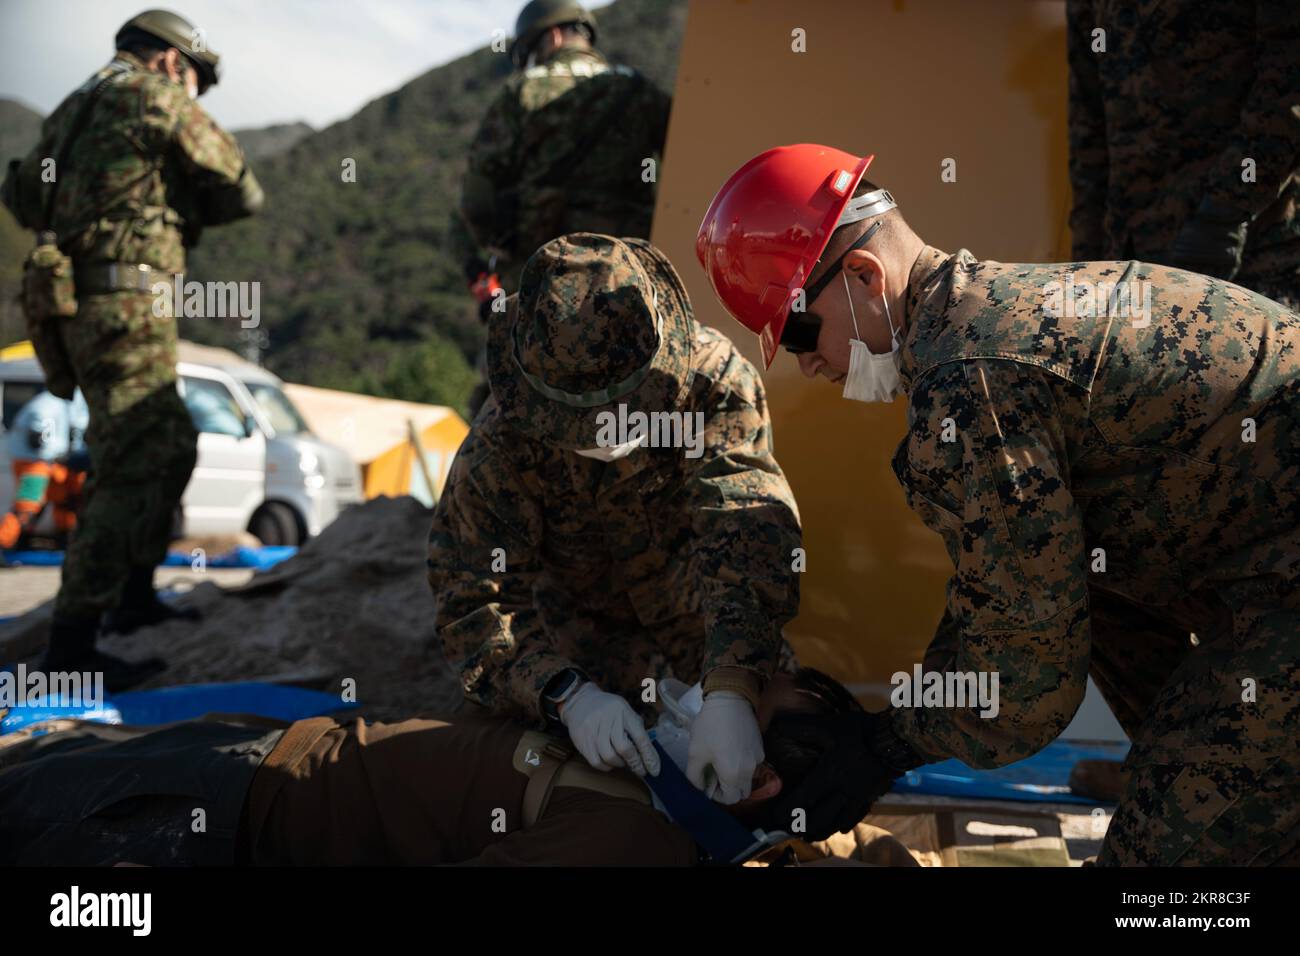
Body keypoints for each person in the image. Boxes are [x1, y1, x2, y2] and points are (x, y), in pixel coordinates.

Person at [695, 144, 1300, 865]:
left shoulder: (971, 379)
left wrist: (885, 748)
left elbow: (1028, 672)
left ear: (862, 275)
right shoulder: (990, 312)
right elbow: (1012, 585)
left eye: (798, 331)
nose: (806, 364)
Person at [428, 232, 802, 807]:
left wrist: (731, 687)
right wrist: (562, 692)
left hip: (712, 625)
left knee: (779, 782)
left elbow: (748, 530)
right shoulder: (500, 446)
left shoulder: (712, 387)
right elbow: (474, 598)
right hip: (575, 646)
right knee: (563, 805)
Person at [0, 668, 917, 866]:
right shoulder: (652, 785)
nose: (692, 695)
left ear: (754, 780)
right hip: (244, 760)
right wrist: (564, 689)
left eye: (731, 712)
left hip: (214, 814)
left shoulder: (635, 839)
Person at [0, 10, 264, 690]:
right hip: (125, 299)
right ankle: (72, 647)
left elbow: (27, 197)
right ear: (174, 63)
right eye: (193, 81)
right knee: (132, 460)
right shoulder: (153, 94)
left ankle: (132, 597)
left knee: (171, 441)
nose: (192, 94)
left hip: (75, 302)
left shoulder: (70, 108)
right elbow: (240, 183)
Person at [452, 0, 672, 415]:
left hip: (540, 285)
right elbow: (684, 167)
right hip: (628, 282)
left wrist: (501, 244)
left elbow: (477, 199)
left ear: (551, 37)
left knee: (515, 405)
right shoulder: (640, 92)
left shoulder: (524, 91)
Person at [1066, 0, 1299, 309]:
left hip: (1250, 265)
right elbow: (1090, 131)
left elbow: (1288, 88)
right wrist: (1087, 269)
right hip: (1132, 273)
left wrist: (1224, 212)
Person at [0, 389, 88, 551]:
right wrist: (48, 451)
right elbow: (39, 434)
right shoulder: (48, 403)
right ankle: (4, 542)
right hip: (35, 460)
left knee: (66, 500)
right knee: (28, 505)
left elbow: (78, 427)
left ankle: (66, 541)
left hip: (57, 460)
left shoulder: (75, 401)